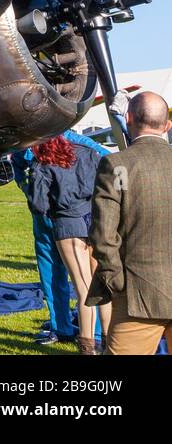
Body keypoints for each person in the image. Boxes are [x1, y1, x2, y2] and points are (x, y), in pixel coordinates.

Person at [86, 91, 172, 355]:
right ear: (167, 125)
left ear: (129, 118)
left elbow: (102, 235)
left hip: (137, 295)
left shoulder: (117, 164)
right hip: (136, 290)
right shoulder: (118, 165)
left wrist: (117, 283)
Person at [28, 134, 110, 353]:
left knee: (85, 290)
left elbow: (38, 204)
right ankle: (112, 344)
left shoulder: (42, 164)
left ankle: (87, 346)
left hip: (68, 224)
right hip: (94, 220)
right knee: (100, 285)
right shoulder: (87, 152)